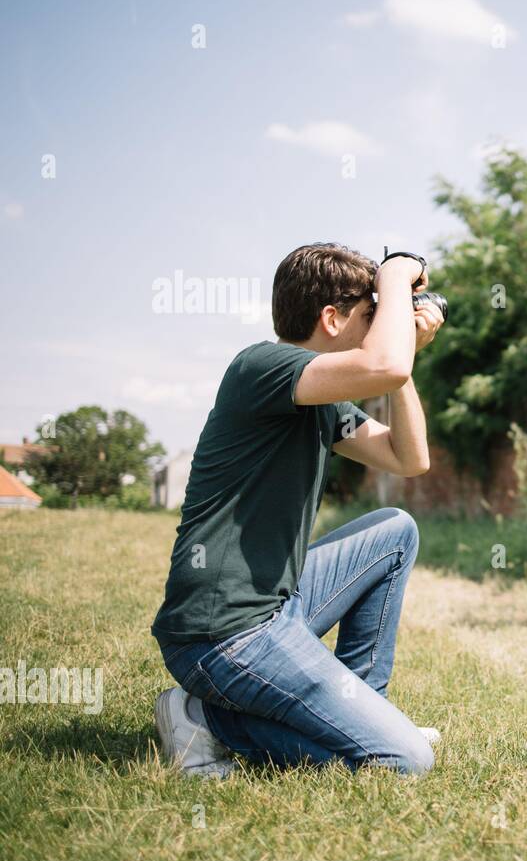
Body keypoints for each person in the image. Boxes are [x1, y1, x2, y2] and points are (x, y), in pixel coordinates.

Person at [151, 242, 445, 777]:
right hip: (224, 634)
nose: (381, 327)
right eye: (371, 315)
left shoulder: (323, 399)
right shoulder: (261, 367)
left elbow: (410, 458)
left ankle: (363, 711)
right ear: (332, 319)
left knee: (394, 531)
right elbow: (383, 362)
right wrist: (398, 276)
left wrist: (406, 361)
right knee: (403, 762)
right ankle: (204, 718)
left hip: (275, 608)